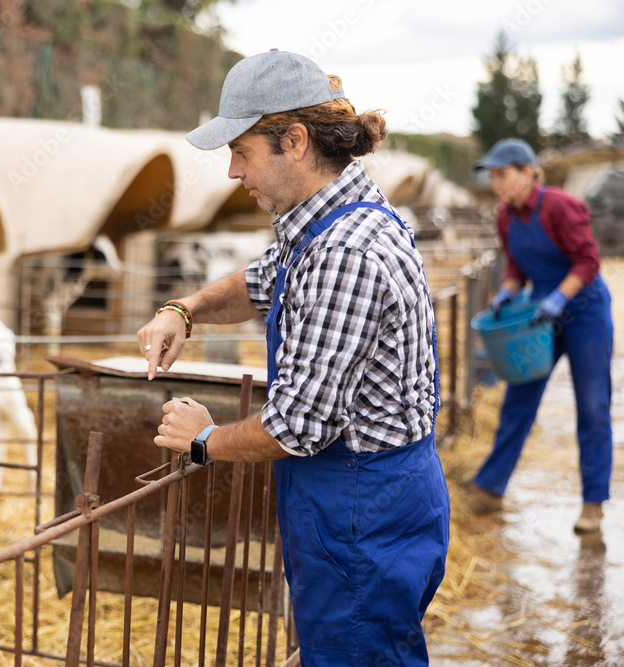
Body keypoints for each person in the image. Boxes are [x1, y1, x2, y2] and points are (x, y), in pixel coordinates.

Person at [137, 49, 450, 667]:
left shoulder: (345, 253)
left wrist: (204, 440)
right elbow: (260, 283)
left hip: (361, 513)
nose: (232, 171)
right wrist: (186, 308)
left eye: (241, 151)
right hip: (361, 501)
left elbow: (298, 428)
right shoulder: (320, 225)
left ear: (296, 141)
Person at [466, 138, 614, 534]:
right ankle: (490, 488)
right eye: (492, 176)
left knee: (593, 406)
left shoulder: (561, 206)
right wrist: (508, 291)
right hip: (539, 316)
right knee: (518, 398)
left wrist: (558, 299)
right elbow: (516, 266)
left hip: (584, 313)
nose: (496, 183)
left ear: (529, 172)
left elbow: (589, 261)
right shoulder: (505, 217)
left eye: (503, 174)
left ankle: (593, 505)